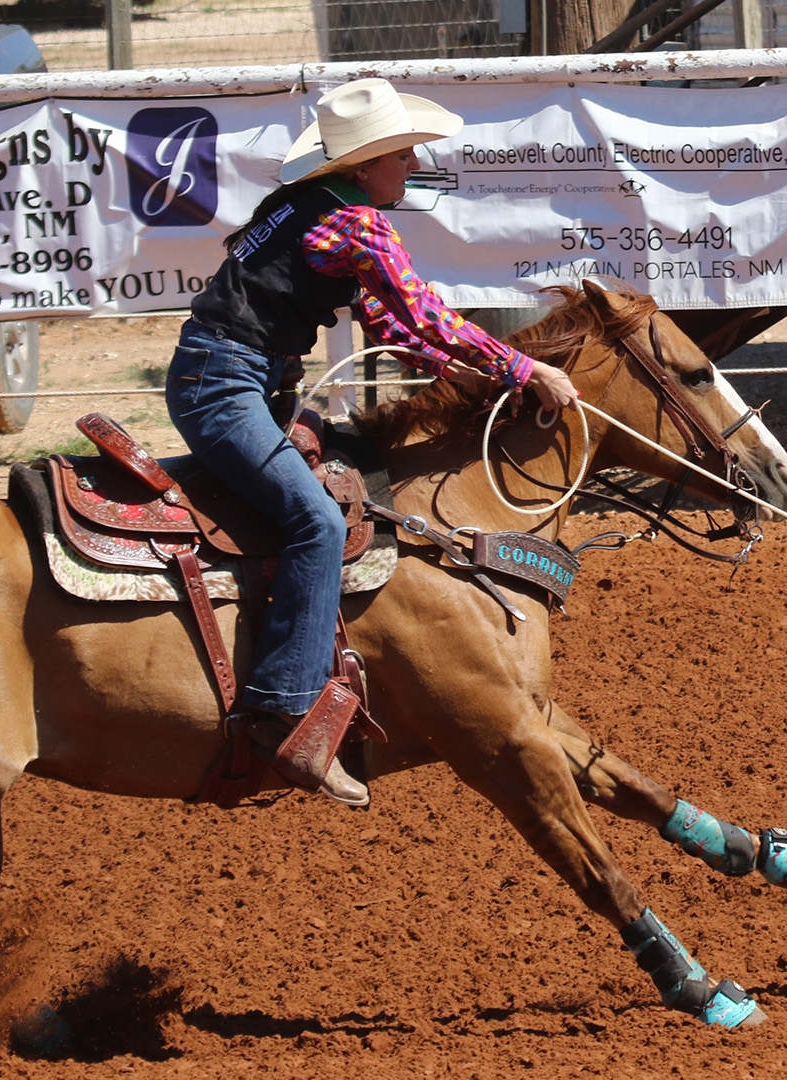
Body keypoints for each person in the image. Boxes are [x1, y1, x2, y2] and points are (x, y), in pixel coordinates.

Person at [167, 78, 577, 806]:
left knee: (343, 491)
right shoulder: (357, 224)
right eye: (401, 153)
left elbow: (389, 321)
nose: (414, 163)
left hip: (233, 376)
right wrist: (521, 366)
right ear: (363, 167)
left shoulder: (295, 210)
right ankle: (286, 711)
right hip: (228, 386)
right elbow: (424, 314)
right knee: (318, 521)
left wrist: (440, 360)